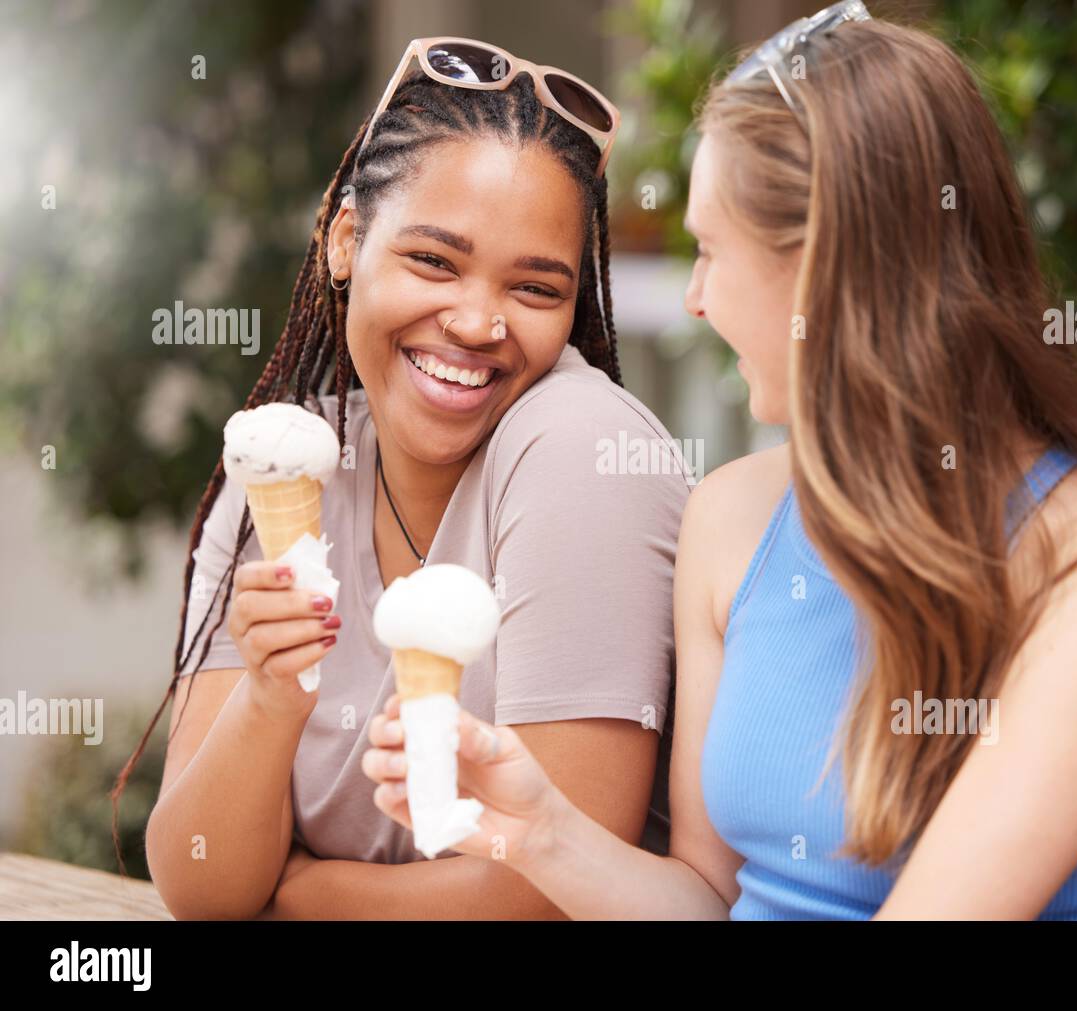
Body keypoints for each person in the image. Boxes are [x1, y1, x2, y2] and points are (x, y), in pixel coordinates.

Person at [364, 10, 1077, 920]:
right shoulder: (733, 520)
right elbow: (709, 902)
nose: (692, 300)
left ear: (820, 272)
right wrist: (539, 830)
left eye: (712, 252)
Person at [122, 39, 689, 919]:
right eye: (434, 260)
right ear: (348, 240)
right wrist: (271, 696)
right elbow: (201, 878)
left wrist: (297, 890)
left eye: (536, 288)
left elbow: (546, 895)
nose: (475, 321)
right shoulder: (288, 468)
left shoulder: (582, 450)